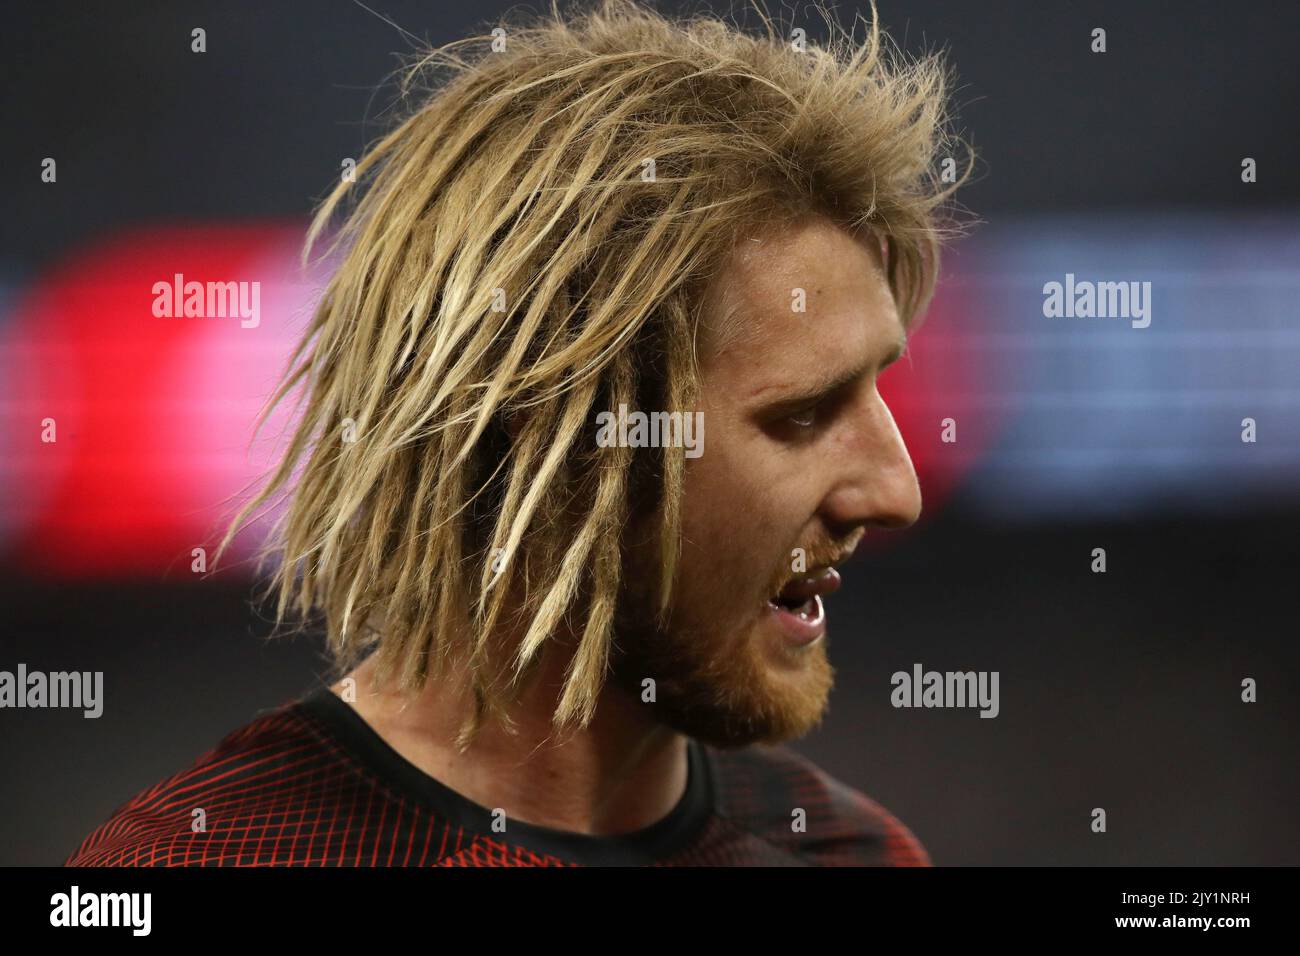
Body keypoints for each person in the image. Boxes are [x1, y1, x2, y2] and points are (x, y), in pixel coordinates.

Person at [67, 0, 968, 867]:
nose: (895, 492)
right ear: (555, 439)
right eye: (800, 416)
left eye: (877, 388)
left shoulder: (855, 852)